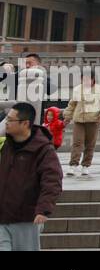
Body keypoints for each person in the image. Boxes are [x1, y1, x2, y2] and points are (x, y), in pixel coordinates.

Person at [0, 102, 62, 251]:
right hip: (3, 216)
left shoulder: (43, 150)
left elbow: (52, 181)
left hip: (26, 218)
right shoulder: (7, 145)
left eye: (10, 120)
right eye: (6, 119)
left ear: (25, 123)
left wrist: (43, 209)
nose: (6, 123)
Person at [65, 72, 100, 177]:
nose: (86, 82)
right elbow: (72, 104)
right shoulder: (77, 89)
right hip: (79, 120)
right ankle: (73, 165)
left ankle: (85, 166)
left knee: (90, 144)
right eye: (83, 79)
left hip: (93, 120)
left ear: (93, 79)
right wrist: (67, 116)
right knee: (77, 143)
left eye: (88, 79)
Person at [15, 53, 46, 118]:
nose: (27, 66)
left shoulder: (43, 77)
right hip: (19, 113)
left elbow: (51, 89)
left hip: (36, 114)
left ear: (38, 64)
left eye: (30, 63)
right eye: (25, 63)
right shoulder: (18, 76)